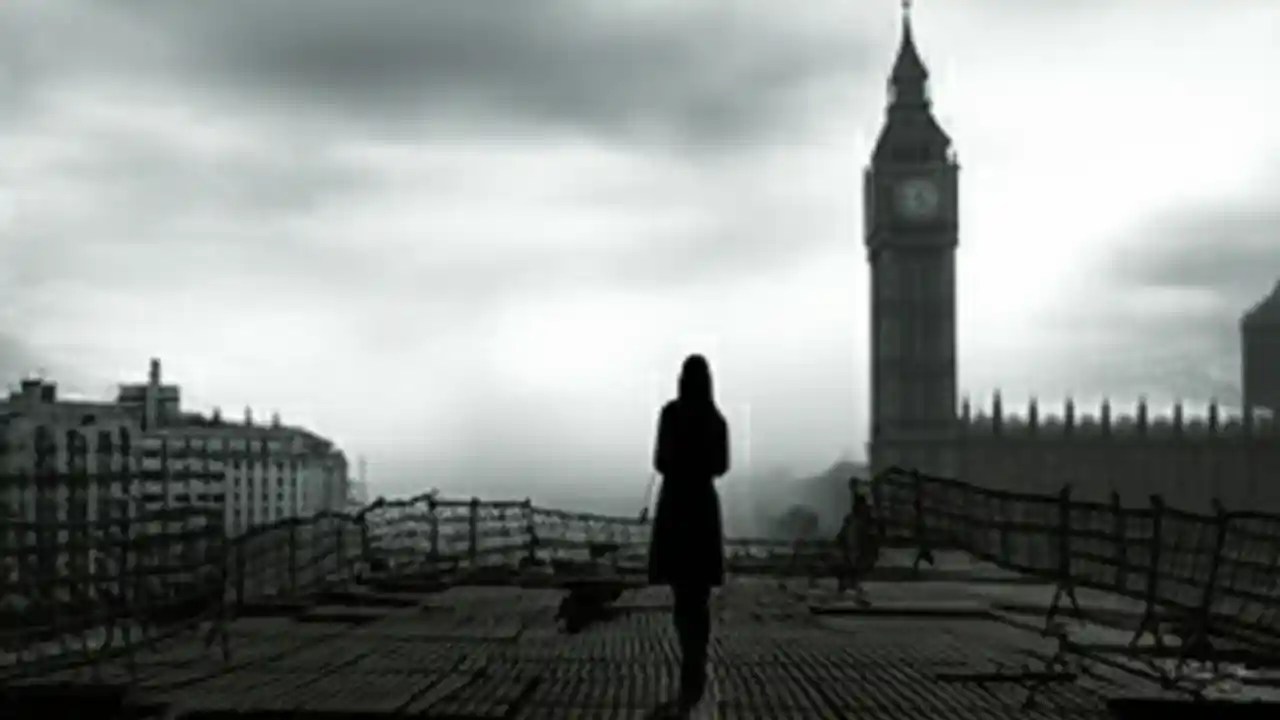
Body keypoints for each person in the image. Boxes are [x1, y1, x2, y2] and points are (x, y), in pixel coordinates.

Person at [647, 354, 729, 714]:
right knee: (699, 594)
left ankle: (688, 659)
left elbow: (659, 462)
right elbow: (721, 466)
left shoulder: (670, 414)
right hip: (702, 509)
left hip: (676, 506)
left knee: (682, 592)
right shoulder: (716, 419)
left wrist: (679, 464)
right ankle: (697, 659)